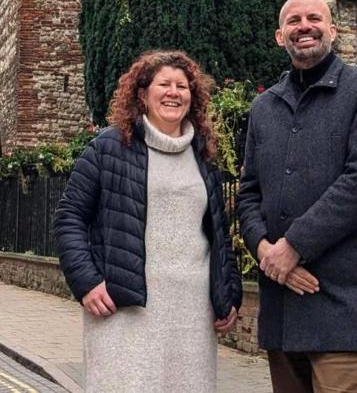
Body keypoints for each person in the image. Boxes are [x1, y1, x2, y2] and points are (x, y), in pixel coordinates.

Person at [237, 0, 357, 393]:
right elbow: (248, 193)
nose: (304, 26)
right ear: (280, 36)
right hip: (282, 303)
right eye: (293, 21)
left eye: (314, 18)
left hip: (341, 302)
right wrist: (266, 252)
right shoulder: (264, 107)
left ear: (333, 30)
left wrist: (293, 246)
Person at [54, 50, 242, 393]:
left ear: (193, 97)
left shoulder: (203, 156)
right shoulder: (108, 147)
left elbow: (219, 233)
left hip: (192, 314)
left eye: (182, 86)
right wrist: (86, 282)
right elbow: (70, 218)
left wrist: (229, 294)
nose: (174, 93)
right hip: (125, 309)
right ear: (142, 94)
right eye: (164, 84)